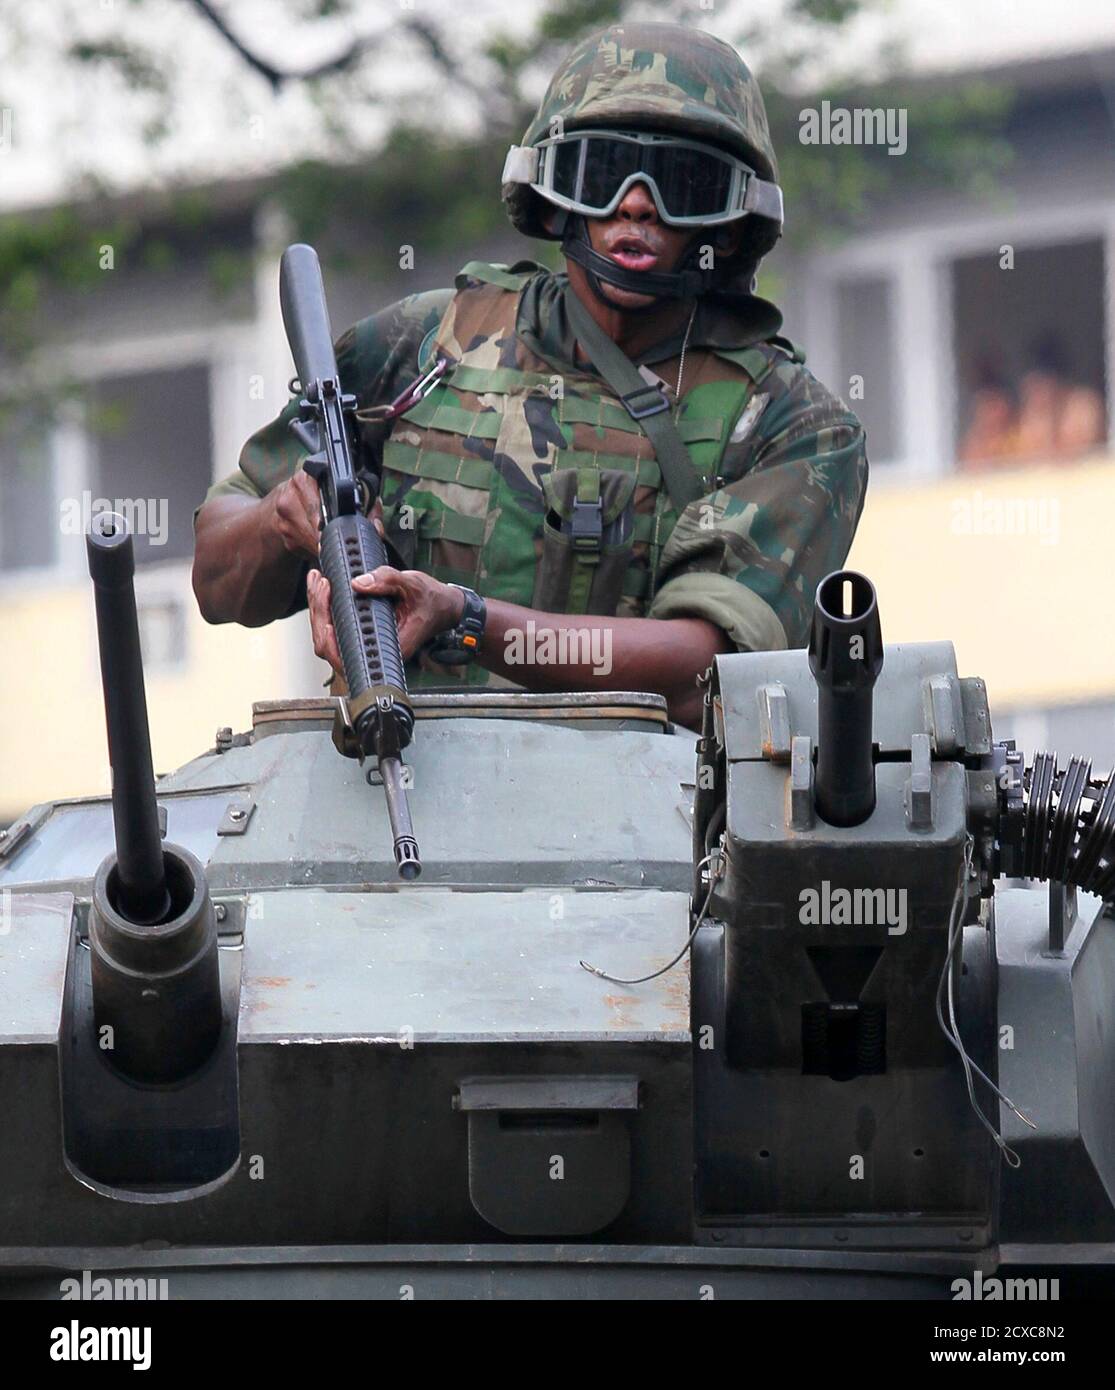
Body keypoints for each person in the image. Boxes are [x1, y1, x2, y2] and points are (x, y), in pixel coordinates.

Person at [192, 21, 868, 730]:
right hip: (388, 796)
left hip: (640, 825)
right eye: (603, 175)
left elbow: (698, 672)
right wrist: (282, 522)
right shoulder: (422, 343)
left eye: (679, 184)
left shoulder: (790, 427)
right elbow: (214, 577)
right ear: (555, 194)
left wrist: (470, 620)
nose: (635, 204)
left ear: (728, 223)